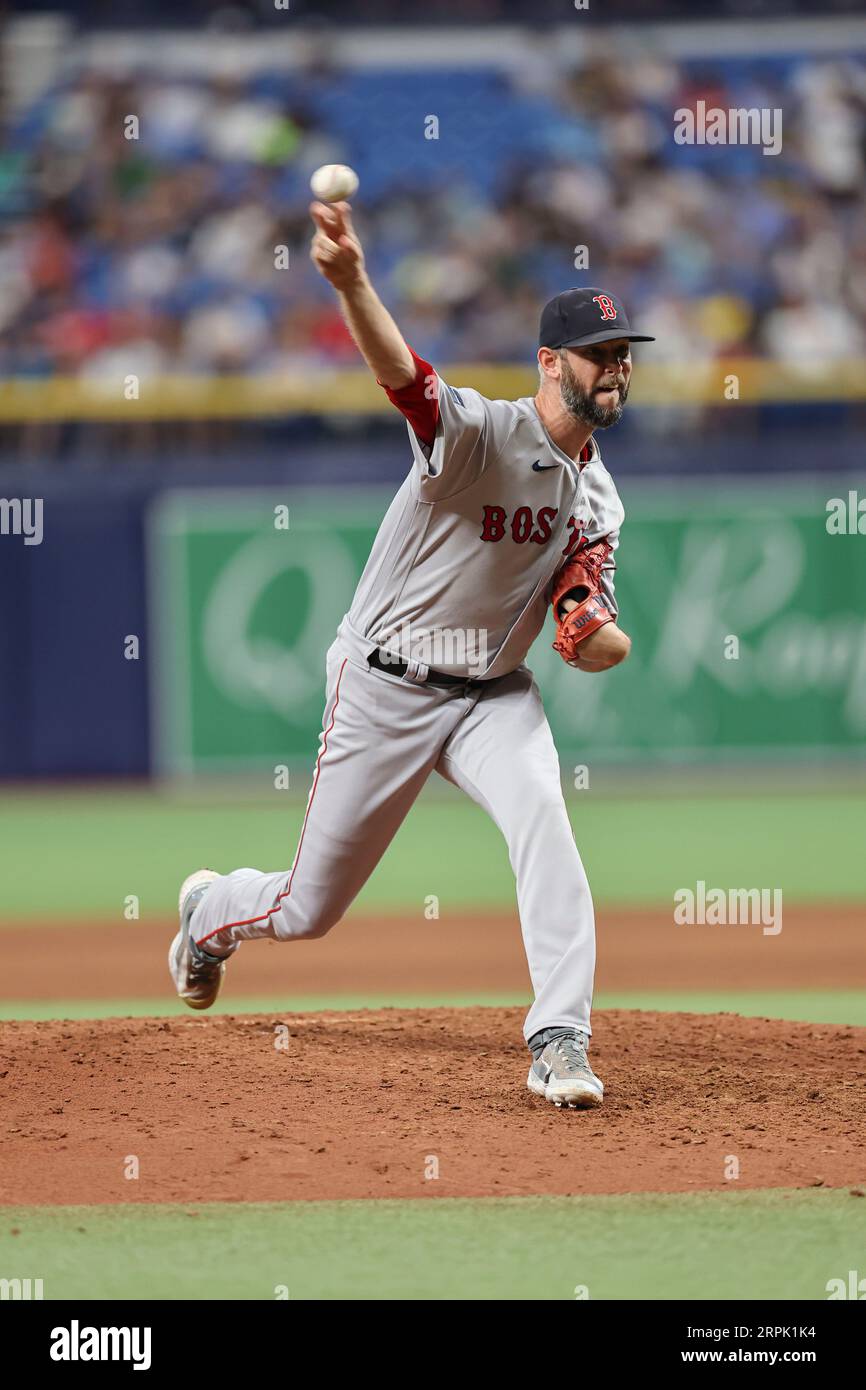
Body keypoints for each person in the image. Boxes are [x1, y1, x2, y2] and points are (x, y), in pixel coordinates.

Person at [169, 200, 655, 1110]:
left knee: (546, 821)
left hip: (492, 696)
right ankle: (210, 913)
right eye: (600, 353)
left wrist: (592, 632)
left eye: (625, 352)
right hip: (385, 684)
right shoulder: (479, 433)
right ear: (550, 363)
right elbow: (405, 378)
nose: (617, 366)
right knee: (307, 910)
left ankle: (560, 1039)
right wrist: (353, 283)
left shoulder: (599, 496)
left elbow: (583, 601)